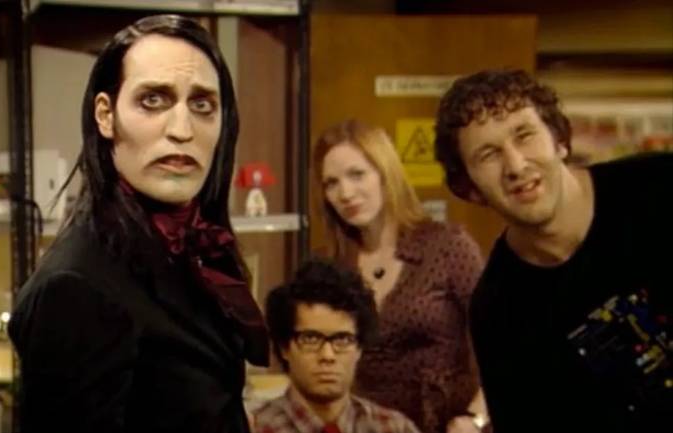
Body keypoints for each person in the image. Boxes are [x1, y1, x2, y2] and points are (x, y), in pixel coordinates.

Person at [8, 15, 269, 433]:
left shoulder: (189, 247)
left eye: (202, 105)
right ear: (105, 115)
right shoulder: (76, 287)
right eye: (153, 100)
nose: (181, 130)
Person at [434, 69, 673, 433]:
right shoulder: (498, 312)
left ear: (559, 141)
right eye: (488, 154)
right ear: (471, 189)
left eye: (524, 135)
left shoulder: (661, 188)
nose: (516, 165)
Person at [313, 119, 489, 433]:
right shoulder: (330, 267)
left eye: (357, 175)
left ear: (386, 174)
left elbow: (506, 342)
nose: (345, 193)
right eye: (331, 183)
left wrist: (475, 418)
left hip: (449, 425)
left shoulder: (446, 246)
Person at [256, 257, 420, 433]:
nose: (328, 355)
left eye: (342, 340)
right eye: (311, 339)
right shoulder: (257, 428)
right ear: (284, 347)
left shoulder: (393, 428)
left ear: (359, 348)